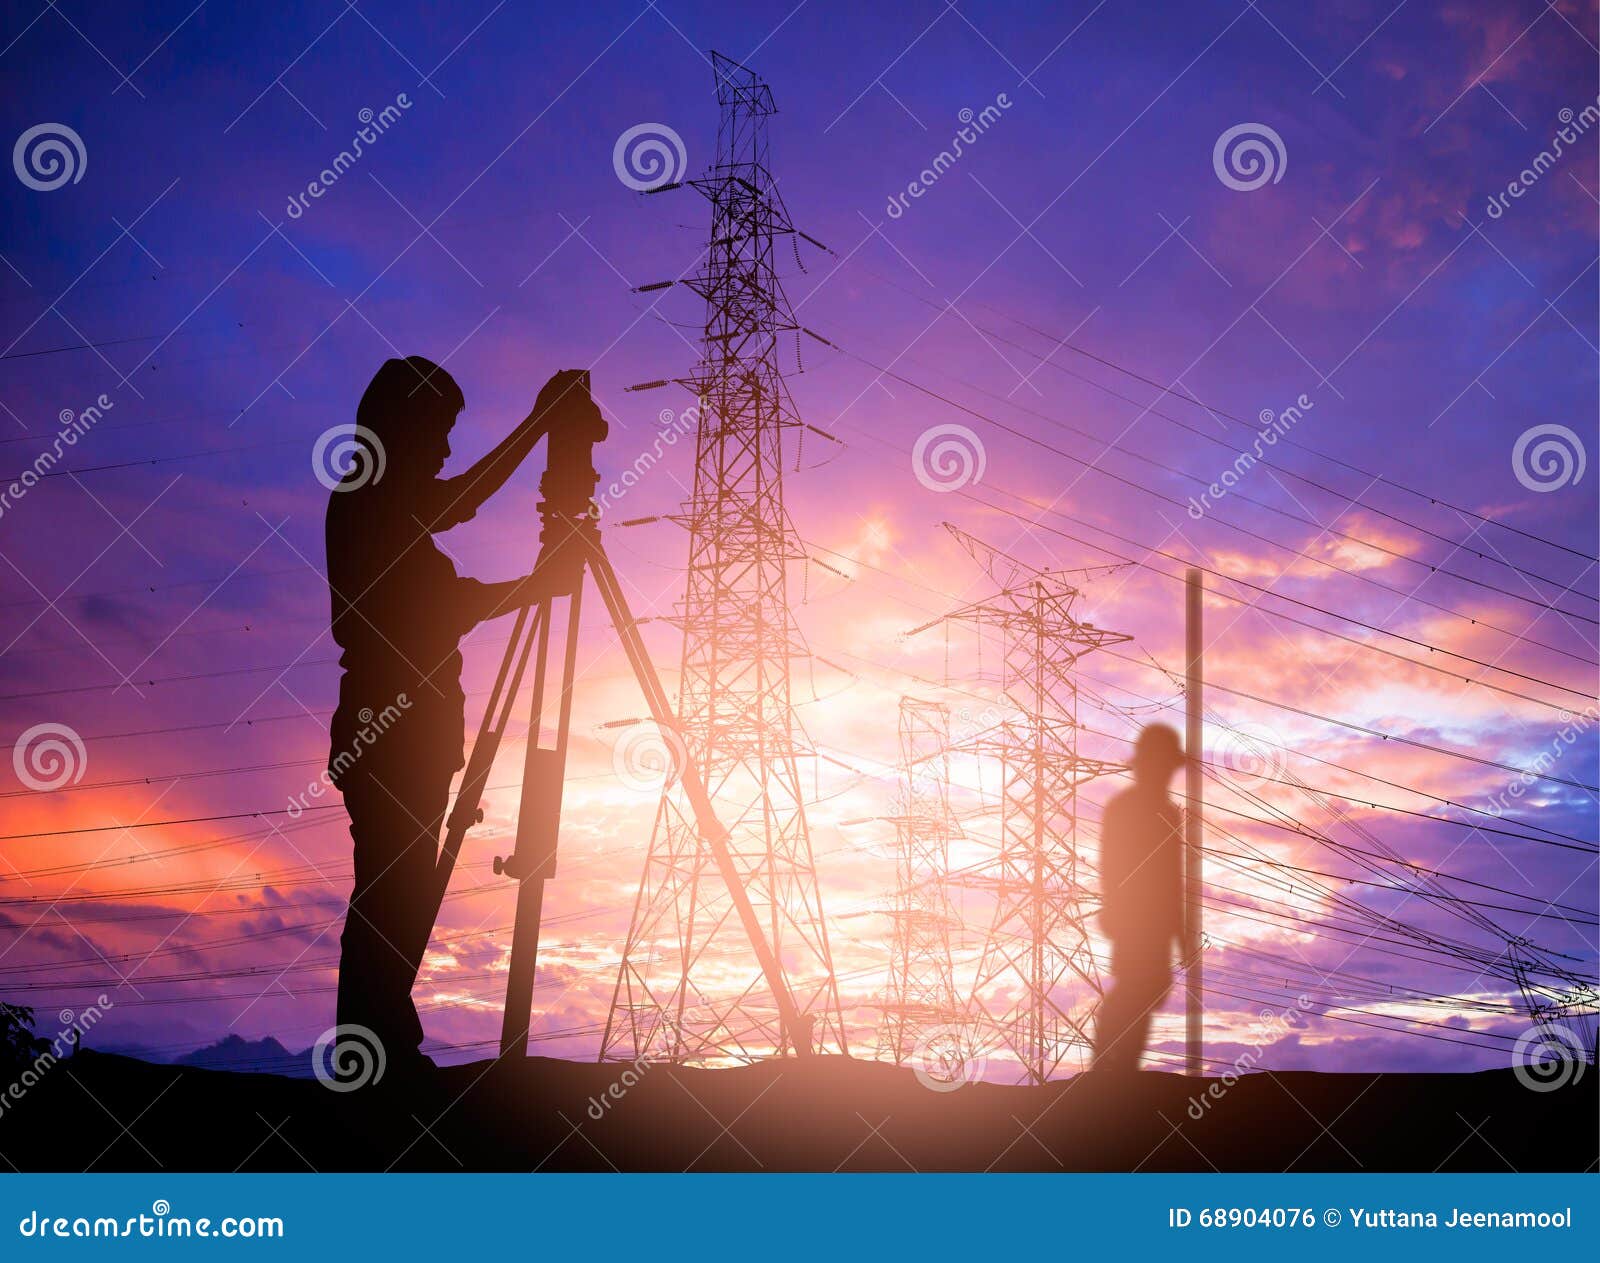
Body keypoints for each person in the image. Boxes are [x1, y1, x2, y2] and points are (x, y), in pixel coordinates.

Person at [325, 356, 595, 1075]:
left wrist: (538, 432)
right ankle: (374, 1047)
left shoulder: (383, 506)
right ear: (404, 431)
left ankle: (381, 1040)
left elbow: (454, 518)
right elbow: (446, 595)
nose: (445, 449)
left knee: (400, 884)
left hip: (409, 732)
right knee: (393, 888)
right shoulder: (367, 504)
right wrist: (539, 429)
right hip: (391, 733)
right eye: (439, 432)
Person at [1091, 723, 1189, 1073]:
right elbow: (1113, 864)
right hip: (1135, 920)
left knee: (1147, 989)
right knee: (1137, 987)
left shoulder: (1168, 812)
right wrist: (1117, 908)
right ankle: (1108, 1072)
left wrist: (1181, 934)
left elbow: (1173, 879)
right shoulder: (1128, 808)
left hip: (1156, 925)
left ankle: (1118, 1072)